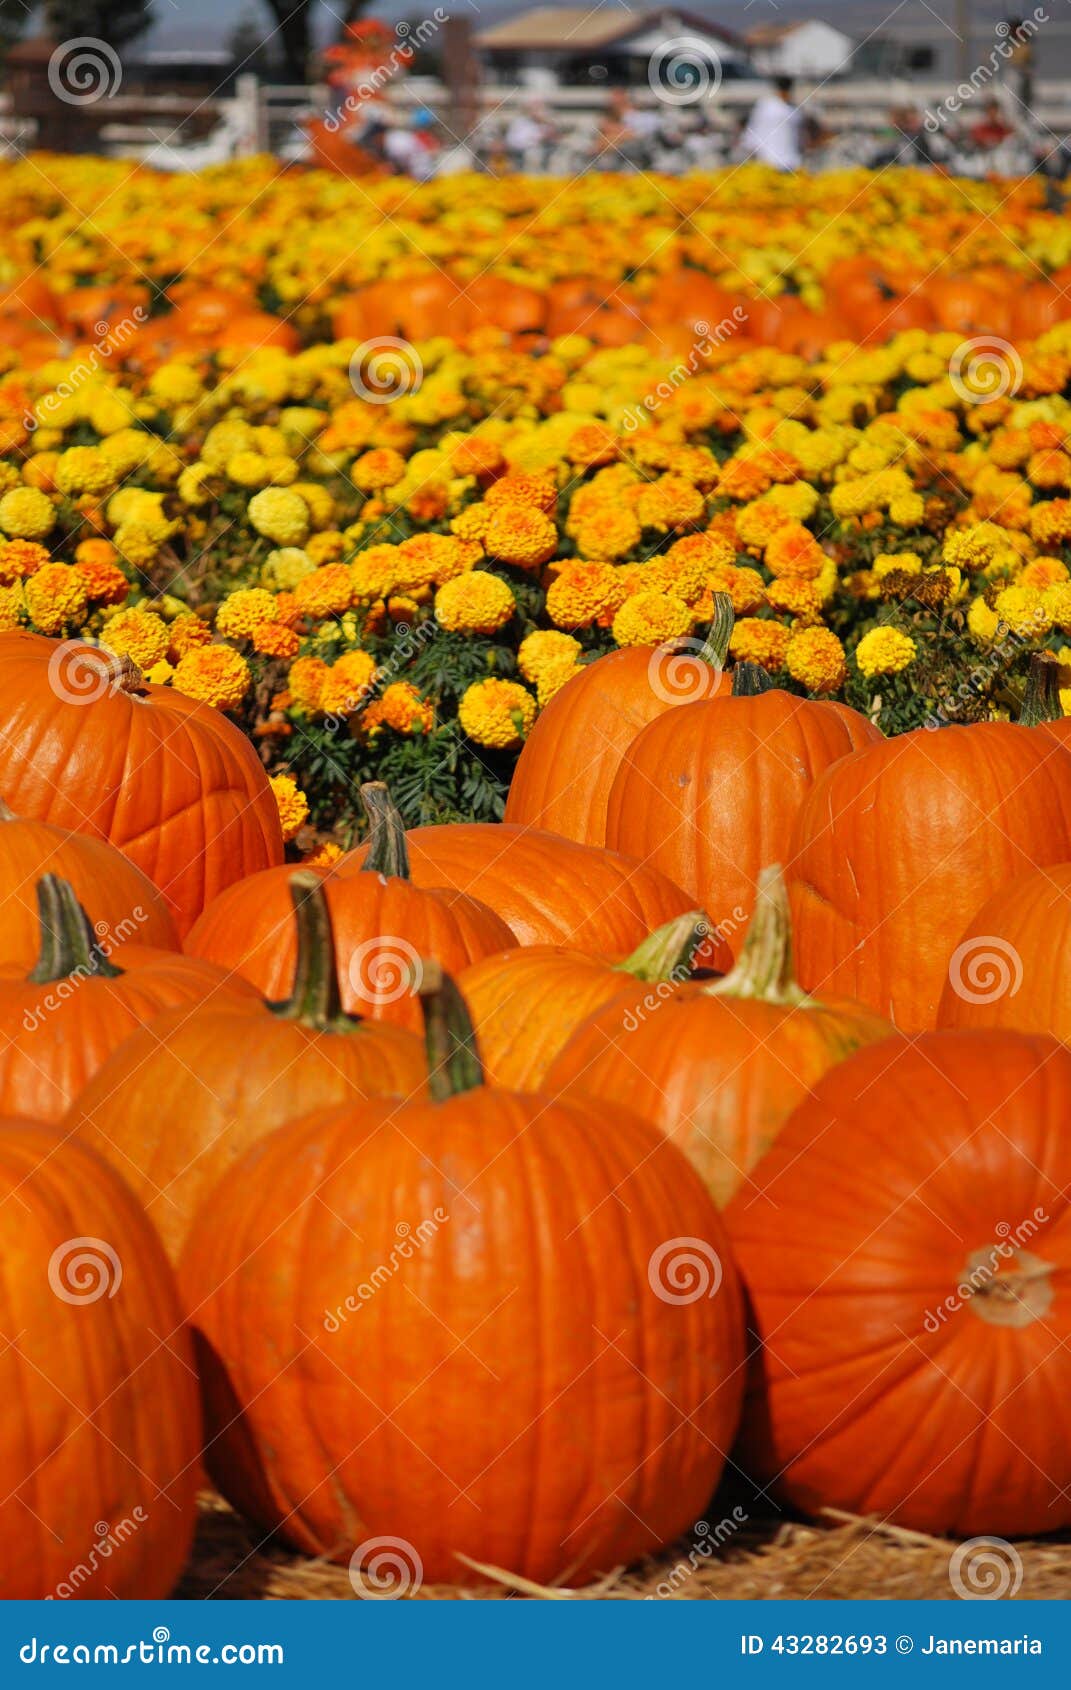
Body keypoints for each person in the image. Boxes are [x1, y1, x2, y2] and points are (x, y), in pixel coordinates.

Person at [741, 76, 805, 171]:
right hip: (768, 160)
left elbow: (799, 136)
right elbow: (753, 130)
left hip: (791, 160)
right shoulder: (766, 106)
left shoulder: (794, 110)